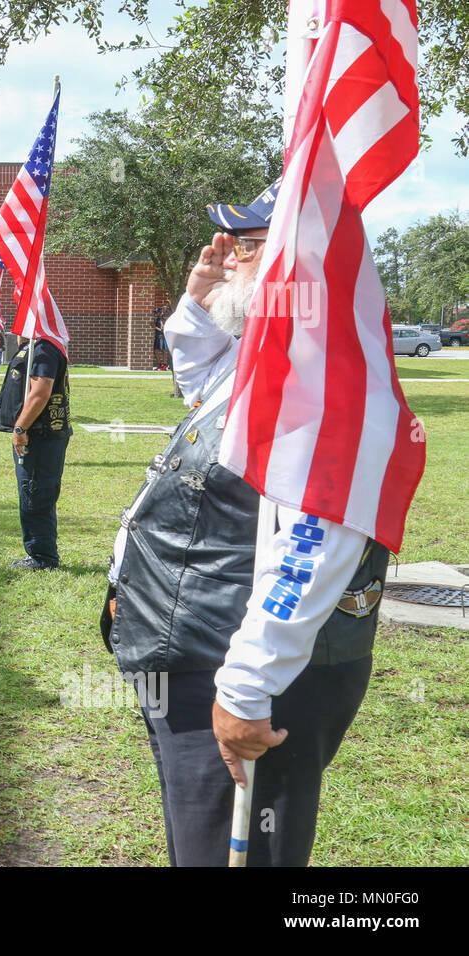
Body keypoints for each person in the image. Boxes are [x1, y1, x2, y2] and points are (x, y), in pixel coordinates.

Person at [104, 181, 392, 866]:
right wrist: (201, 306)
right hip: (198, 650)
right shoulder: (280, 353)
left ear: (302, 264)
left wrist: (246, 686)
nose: (228, 256)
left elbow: (318, 539)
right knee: (196, 843)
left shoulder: (324, 378)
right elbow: (205, 393)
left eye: (249, 246)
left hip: (240, 666)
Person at [0, 332, 70, 570]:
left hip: (40, 435)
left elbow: (40, 392)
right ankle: (41, 553)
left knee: (34, 492)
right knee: (35, 492)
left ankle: (42, 557)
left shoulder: (44, 349)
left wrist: (20, 427)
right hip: (38, 433)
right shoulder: (37, 347)